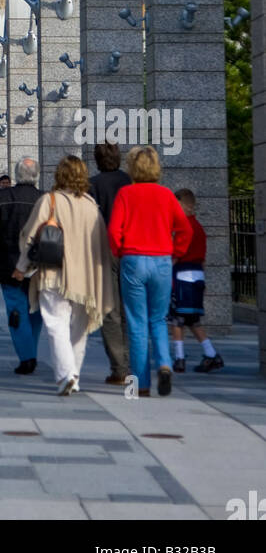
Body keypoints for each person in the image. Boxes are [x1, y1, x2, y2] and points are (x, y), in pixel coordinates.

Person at [13, 155, 113, 397]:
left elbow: (30, 236)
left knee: (56, 324)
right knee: (79, 329)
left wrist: (21, 266)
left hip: (53, 272)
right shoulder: (91, 205)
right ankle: (73, 376)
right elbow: (102, 245)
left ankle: (66, 375)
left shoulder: (50, 201)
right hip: (84, 278)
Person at [107, 146, 193, 397]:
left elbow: (113, 232)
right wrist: (176, 253)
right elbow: (185, 229)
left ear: (132, 167)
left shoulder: (126, 193)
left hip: (133, 260)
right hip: (162, 261)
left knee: (136, 323)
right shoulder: (166, 195)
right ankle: (165, 363)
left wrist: (120, 252)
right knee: (158, 319)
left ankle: (140, 385)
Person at [0, 158, 43, 374]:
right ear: (36, 176)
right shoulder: (45, 199)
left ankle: (27, 357)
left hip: (8, 266)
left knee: (16, 311)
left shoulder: (0, 198)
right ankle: (31, 353)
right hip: (39, 267)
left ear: (17, 176)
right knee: (35, 312)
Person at [88, 141, 131, 385]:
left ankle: (119, 368)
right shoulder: (129, 182)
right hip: (131, 250)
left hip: (105, 252)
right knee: (131, 309)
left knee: (110, 311)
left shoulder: (93, 185)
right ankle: (133, 361)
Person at [169, 188, 223, 374]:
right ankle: (211, 353)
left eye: (177, 206)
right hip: (197, 274)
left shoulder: (185, 226)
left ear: (188, 206)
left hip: (183, 275)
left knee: (177, 319)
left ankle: (179, 357)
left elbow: (179, 252)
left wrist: (167, 268)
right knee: (193, 320)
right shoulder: (198, 227)